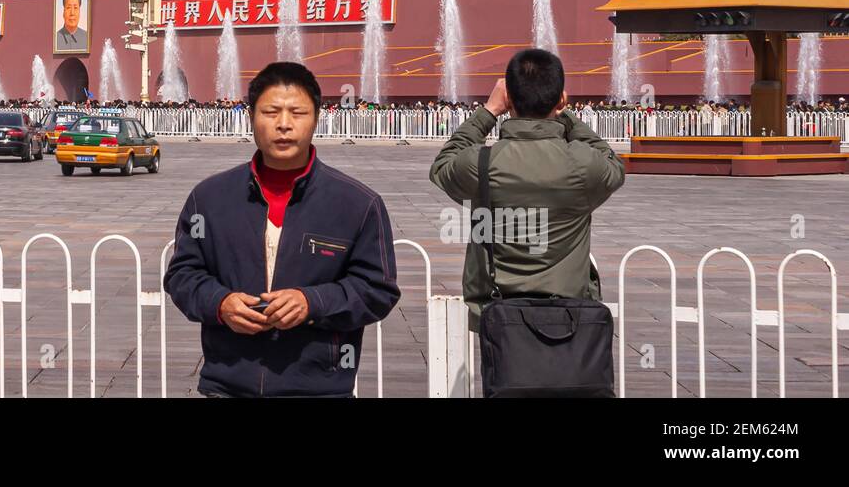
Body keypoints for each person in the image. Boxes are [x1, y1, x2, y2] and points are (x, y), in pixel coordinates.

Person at [164, 61, 400, 397]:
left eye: (297, 112)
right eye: (271, 112)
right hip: (227, 384)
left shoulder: (357, 205)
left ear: (316, 119)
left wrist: (312, 302)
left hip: (319, 388)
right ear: (251, 117)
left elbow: (378, 289)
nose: (284, 125)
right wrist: (220, 303)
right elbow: (182, 275)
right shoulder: (210, 198)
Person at [429, 47, 625, 333]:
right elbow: (613, 165)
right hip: (569, 316)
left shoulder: (481, 164)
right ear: (560, 98)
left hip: (500, 319)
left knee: (506, 377)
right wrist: (564, 114)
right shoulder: (582, 164)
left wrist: (488, 112)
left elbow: (442, 164)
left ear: (508, 99)